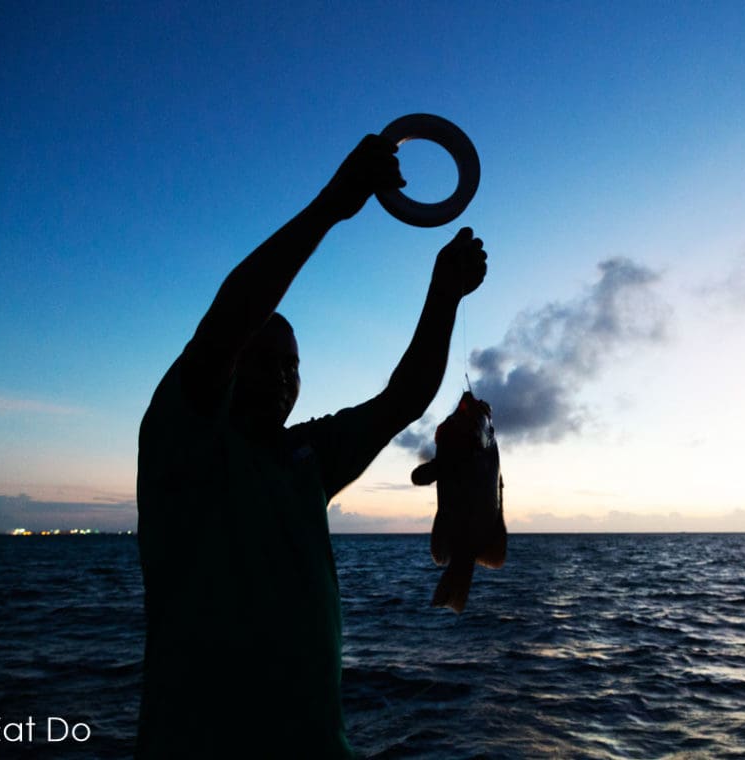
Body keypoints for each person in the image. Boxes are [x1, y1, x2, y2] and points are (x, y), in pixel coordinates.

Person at [135, 134, 487, 758]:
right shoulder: (181, 440)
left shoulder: (307, 459)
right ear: (227, 366)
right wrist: (332, 204)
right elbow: (226, 324)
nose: (276, 375)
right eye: (258, 359)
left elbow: (401, 400)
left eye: (289, 366)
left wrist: (445, 295)